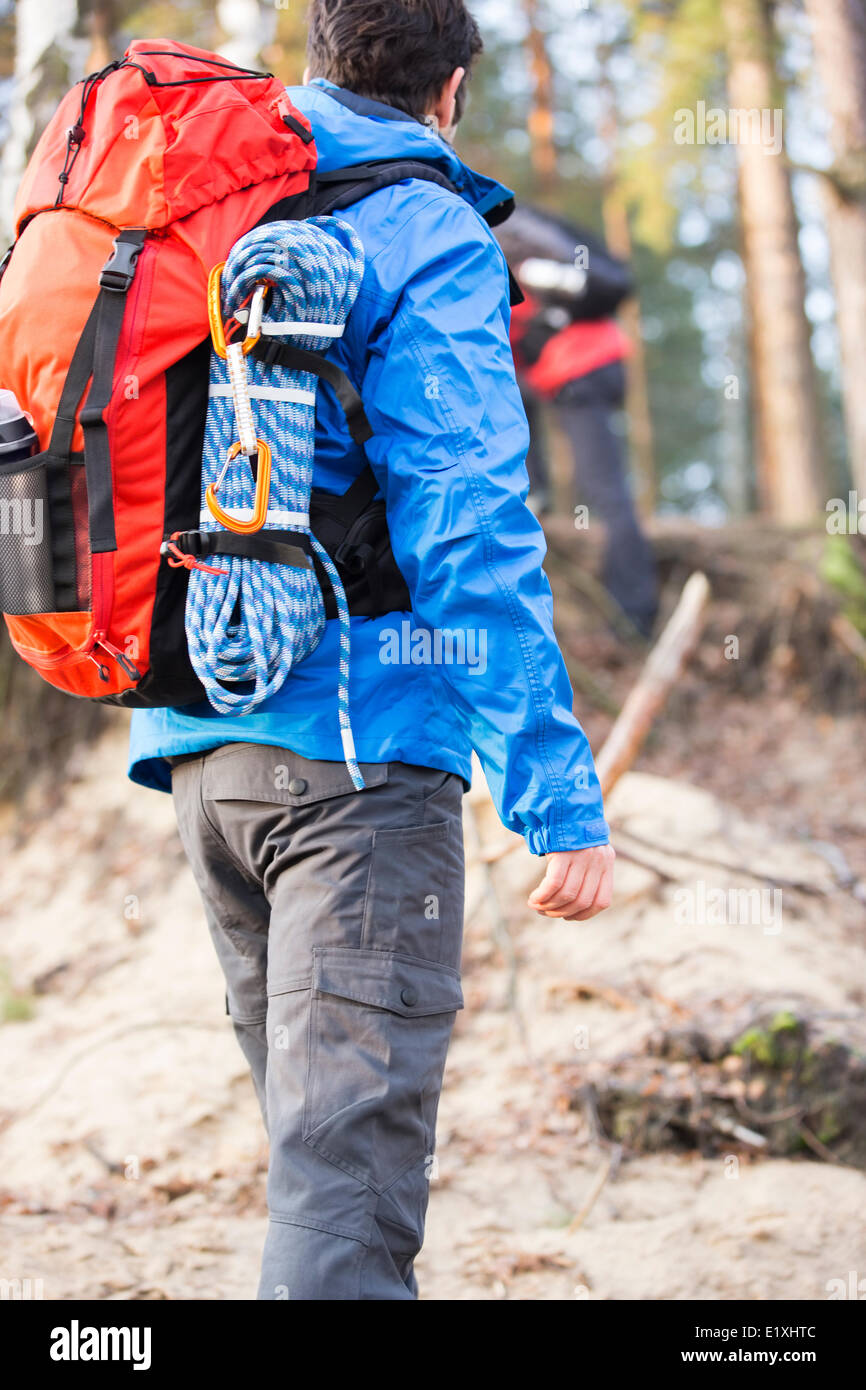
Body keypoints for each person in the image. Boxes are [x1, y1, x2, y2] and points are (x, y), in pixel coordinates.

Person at [128, 0, 614, 1301]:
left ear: (320, 61)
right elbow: (468, 528)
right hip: (354, 766)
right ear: (451, 90)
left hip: (194, 744)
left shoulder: (212, 192)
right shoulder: (424, 223)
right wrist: (551, 791)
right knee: (342, 1209)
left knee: (316, 1160)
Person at [498, 203, 659, 637]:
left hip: (582, 367)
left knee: (604, 488)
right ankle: (539, 498)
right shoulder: (514, 262)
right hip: (584, 366)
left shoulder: (516, 258)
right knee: (599, 481)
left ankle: (635, 612)